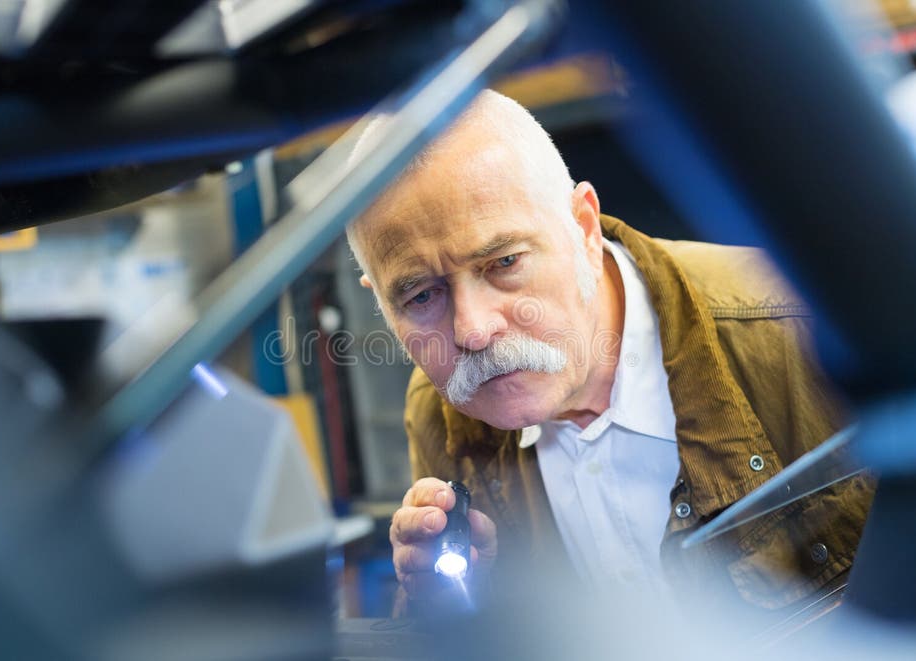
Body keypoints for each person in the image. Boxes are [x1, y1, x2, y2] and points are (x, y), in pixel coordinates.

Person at [345, 90, 873, 618]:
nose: (473, 331)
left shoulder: (807, 335)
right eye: (420, 296)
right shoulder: (439, 413)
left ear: (584, 227)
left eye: (504, 262)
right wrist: (460, 611)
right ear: (381, 303)